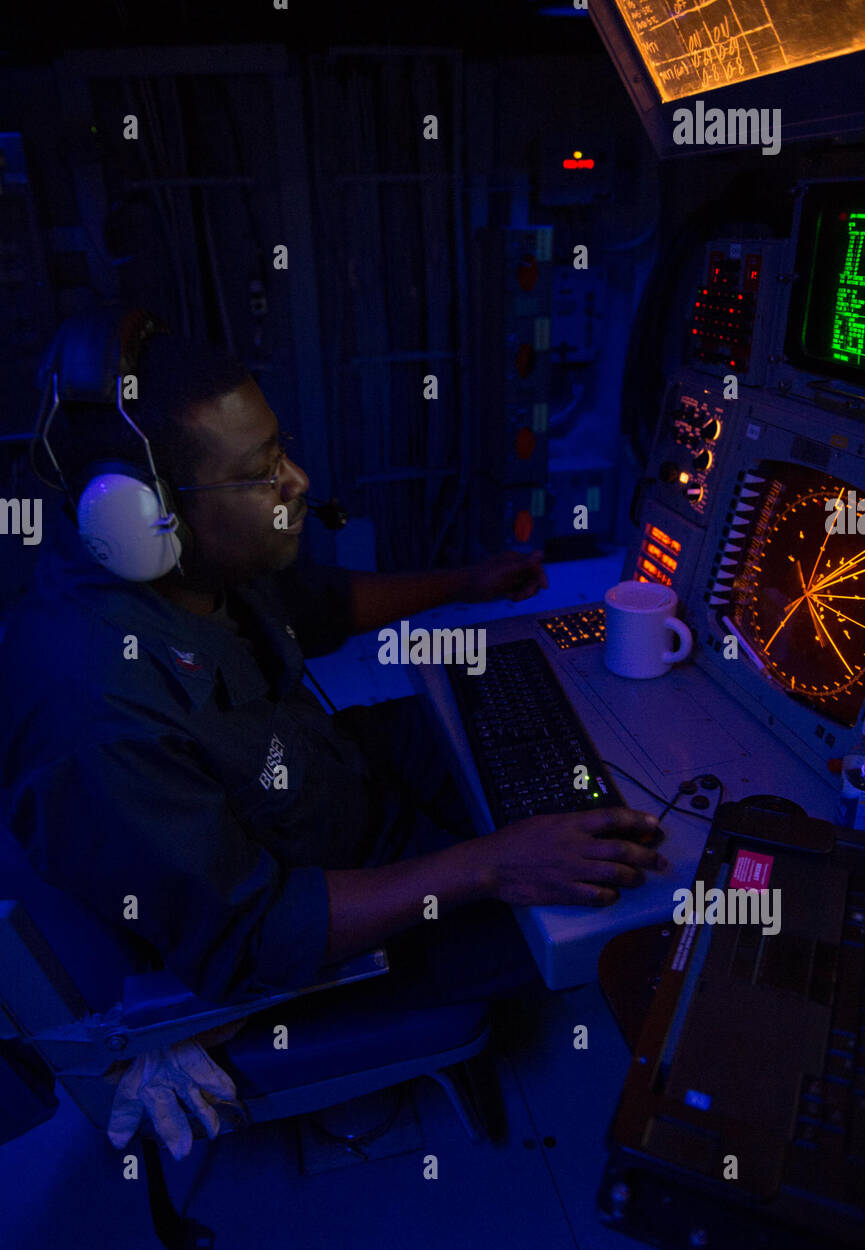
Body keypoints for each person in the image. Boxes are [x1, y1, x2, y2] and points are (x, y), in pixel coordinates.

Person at [0, 328, 665, 1092]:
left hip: (338, 777)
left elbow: (316, 606)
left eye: (279, 451)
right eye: (260, 475)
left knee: (554, 720)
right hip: (336, 915)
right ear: (140, 514)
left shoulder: (180, 562)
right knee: (631, 906)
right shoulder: (96, 716)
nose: (298, 482)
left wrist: (466, 582)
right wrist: (490, 865)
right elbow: (257, 933)